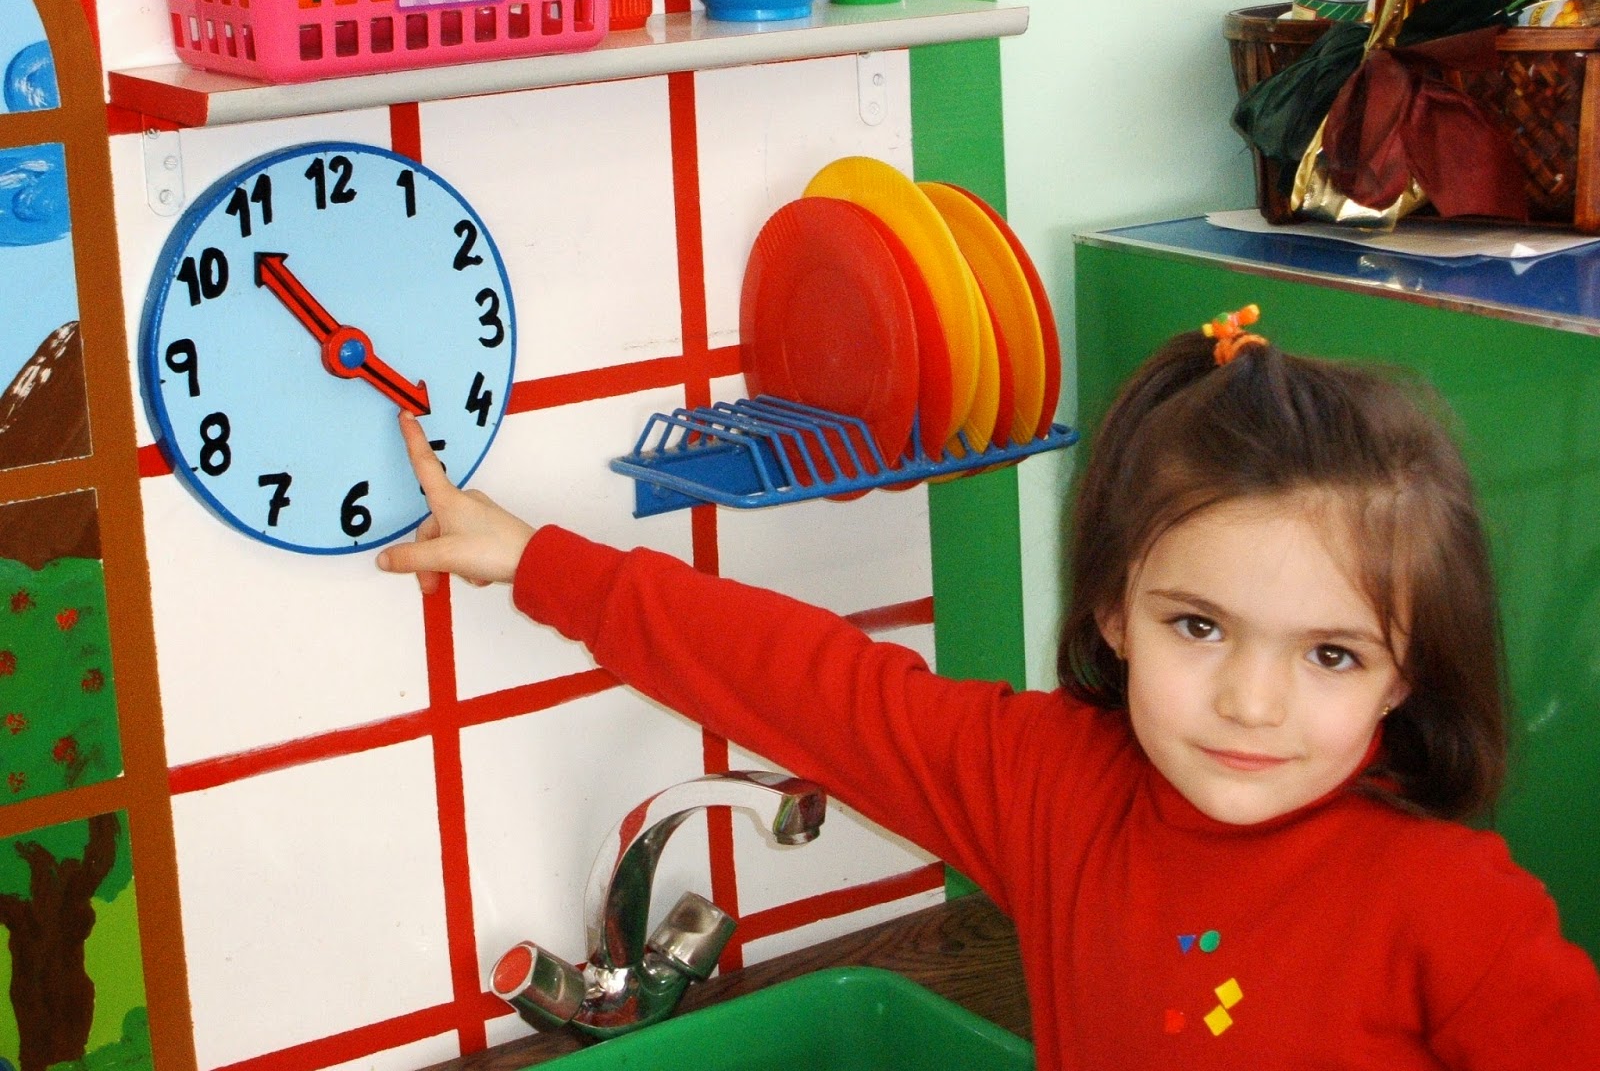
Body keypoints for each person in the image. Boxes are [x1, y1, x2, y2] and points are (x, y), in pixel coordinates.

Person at [376, 307, 1600, 1068]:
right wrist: (540, 564)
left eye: (1330, 654)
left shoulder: (1457, 915)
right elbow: (804, 684)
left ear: (1404, 673)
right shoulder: (1050, 788)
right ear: (1114, 611)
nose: (1251, 702)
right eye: (1199, 627)